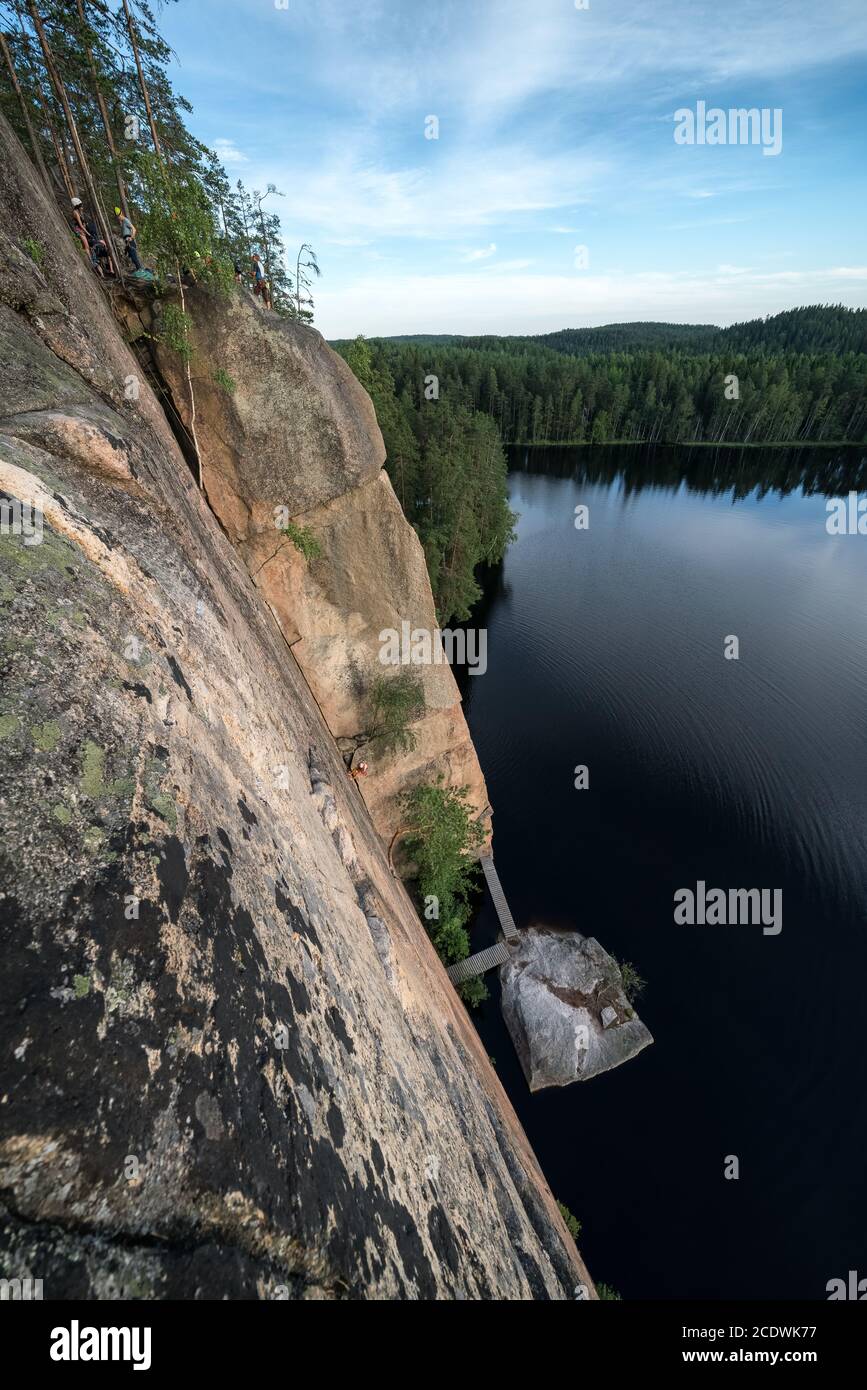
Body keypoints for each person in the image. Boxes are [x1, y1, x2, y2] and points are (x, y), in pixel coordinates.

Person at [115, 207, 142, 271]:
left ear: (121, 214)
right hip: (127, 242)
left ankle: (140, 270)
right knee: (131, 257)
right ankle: (137, 270)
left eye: (118, 216)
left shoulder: (126, 220)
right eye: (117, 217)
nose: (118, 218)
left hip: (130, 242)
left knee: (134, 257)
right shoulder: (123, 222)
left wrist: (131, 238)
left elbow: (134, 229)